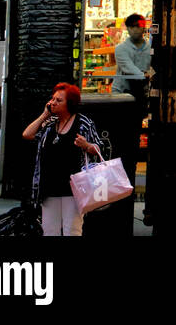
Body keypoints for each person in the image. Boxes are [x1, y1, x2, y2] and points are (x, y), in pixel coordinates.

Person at [23, 82, 106, 236]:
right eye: (52, 99)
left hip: (74, 188)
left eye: (59, 100)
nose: (53, 103)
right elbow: (27, 134)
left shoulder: (83, 123)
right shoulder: (49, 124)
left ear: (70, 103)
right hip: (49, 187)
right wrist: (44, 114)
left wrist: (86, 145)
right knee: (49, 231)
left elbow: (99, 150)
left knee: (72, 230)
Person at [113, 13, 152, 112]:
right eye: (131, 27)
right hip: (122, 93)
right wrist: (145, 75)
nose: (135, 29)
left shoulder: (150, 49)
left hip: (142, 93)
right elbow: (128, 67)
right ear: (128, 29)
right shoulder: (120, 49)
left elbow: (154, 67)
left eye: (138, 26)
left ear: (143, 27)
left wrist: (151, 74)